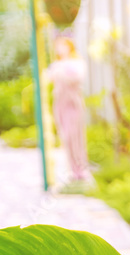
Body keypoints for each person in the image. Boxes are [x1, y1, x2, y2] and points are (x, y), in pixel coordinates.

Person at [46, 36, 92, 183]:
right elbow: (49, 77)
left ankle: (81, 169)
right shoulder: (56, 64)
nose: (60, 48)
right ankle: (72, 170)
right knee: (65, 137)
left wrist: (61, 73)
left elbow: (77, 77)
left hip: (73, 104)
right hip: (60, 104)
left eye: (63, 45)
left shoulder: (77, 62)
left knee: (75, 136)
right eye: (58, 46)